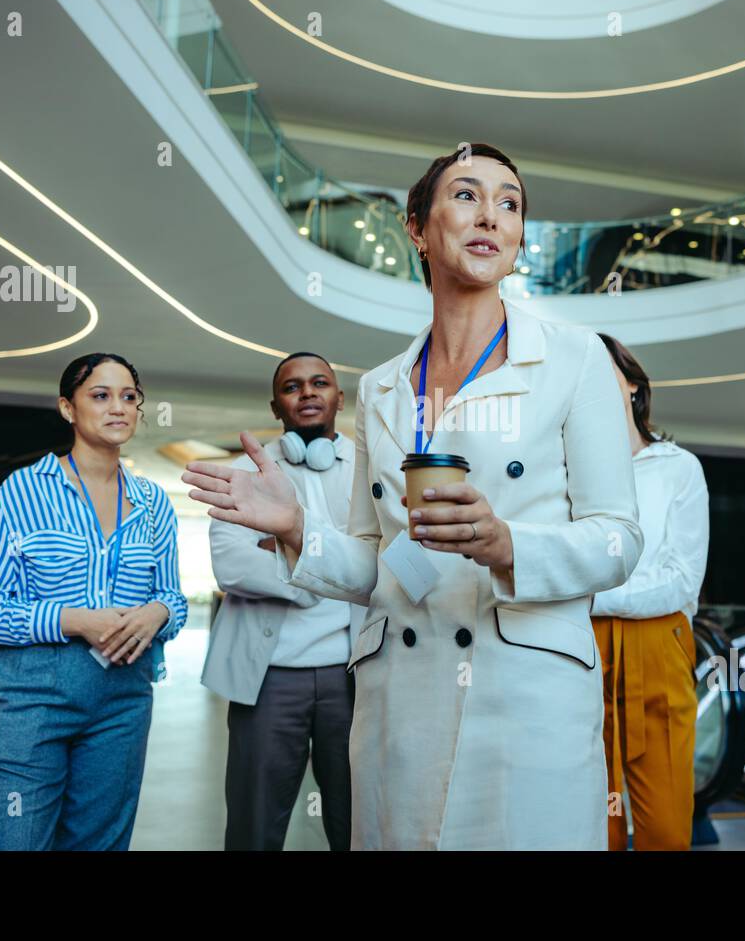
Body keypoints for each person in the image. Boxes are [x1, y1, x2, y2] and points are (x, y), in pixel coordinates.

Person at [184, 143, 643, 849]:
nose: (491, 213)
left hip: (525, 692)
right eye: (465, 195)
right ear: (417, 228)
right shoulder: (382, 387)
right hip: (400, 695)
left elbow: (619, 537)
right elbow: (381, 561)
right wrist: (298, 526)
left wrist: (507, 544)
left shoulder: (576, 359)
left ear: (519, 238)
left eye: (510, 202)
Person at [0, 353, 187, 850]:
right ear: (68, 408)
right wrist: (73, 620)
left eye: (129, 397)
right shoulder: (18, 495)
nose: (118, 407)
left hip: (122, 703)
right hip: (29, 702)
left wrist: (160, 612)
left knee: (99, 846)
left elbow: (172, 595)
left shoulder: (154, 504)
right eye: (100, 396)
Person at [202, 351, 360, 850]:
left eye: (320, 383)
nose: (308, 393)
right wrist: (332, 560)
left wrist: (286, 548)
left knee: (357, 820)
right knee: (253, 825)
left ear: (339, 397)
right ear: (276, 406)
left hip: (353, 675)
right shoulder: (241, 474)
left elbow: (387, 562)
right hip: (267, 678)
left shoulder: (370, 468)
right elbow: (232, 565)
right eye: (293, 387)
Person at [590, 334, 708, 851]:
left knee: (665, 824)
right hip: (581, 646)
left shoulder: (677, 468)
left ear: (634, 387)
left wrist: (591, 596)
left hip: (659, 647)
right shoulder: (565, 471)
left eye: (603, 374)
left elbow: (681, 580)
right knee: (591, 819)